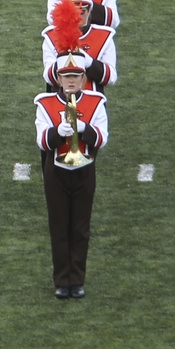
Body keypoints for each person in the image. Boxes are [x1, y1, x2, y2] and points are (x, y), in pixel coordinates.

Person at [37, 22, 104, 299]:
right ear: (59, 78)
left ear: (83, 77)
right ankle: (61, 281)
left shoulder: (96, 101)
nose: (72, 80)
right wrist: (58, 133)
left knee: (80, 227)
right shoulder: (44, 102)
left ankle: (77, 279)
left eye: (76, 75)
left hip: (85, 169)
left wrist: (82, 129)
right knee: (59, 225)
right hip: (57, 170)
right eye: (67, 76)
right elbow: (41, 140)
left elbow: (101, 138)